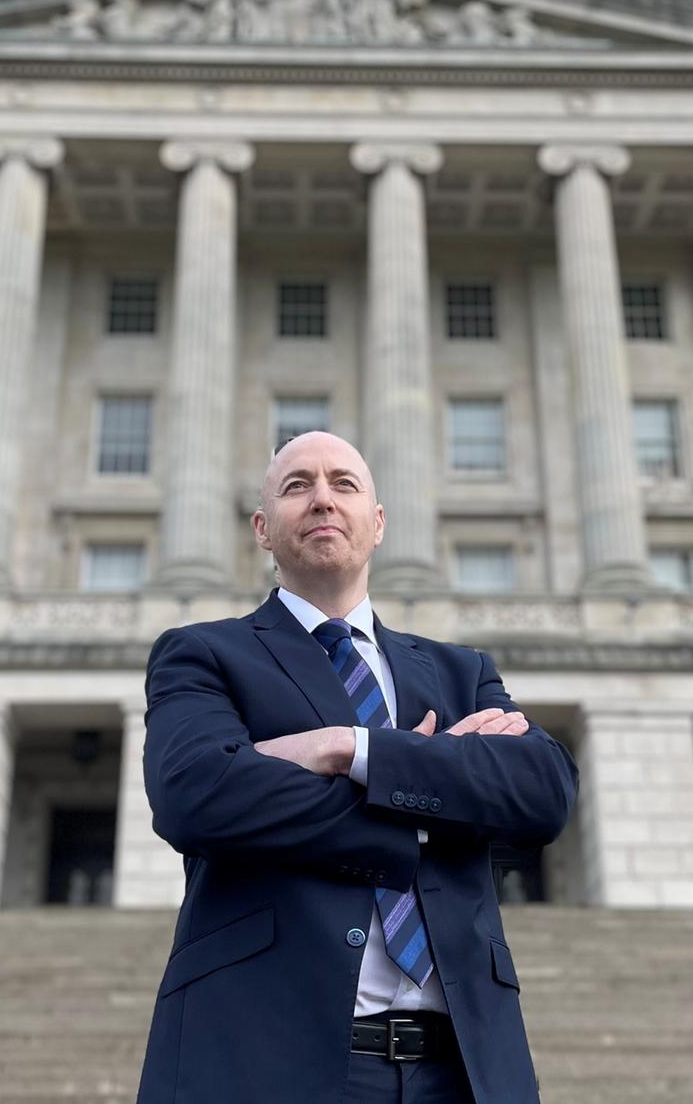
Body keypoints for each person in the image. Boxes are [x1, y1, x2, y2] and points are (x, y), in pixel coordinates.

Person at [135, 431, 577, 1104]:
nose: (321, 499)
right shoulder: (203, 654)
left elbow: (543, 791)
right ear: (262, 528)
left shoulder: (461, 671)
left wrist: (350, 747)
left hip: (461, 1071)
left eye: (344, 484)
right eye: (296, 485)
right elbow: (195, 794)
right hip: (268, 1060)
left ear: (377, 523)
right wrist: (433, 787)